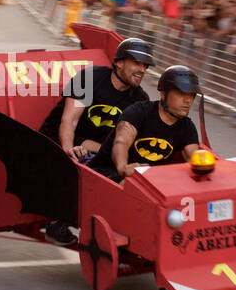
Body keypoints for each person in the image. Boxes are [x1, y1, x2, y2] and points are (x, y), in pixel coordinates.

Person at [38, 38, 152, 244]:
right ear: (118, 62)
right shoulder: (89, 80)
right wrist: (68, 151)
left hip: (96, 147)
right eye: (137, 63)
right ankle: (58, 222)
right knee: (84, 156)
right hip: (59, 138)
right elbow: (69, 120)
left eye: (145, 65)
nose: (142, 69)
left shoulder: (140, 99)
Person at [90, 66, 204, 181]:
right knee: (131, 184)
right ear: (164, 94)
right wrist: (123, 167)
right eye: (181, 94)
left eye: (191, 95)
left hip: (149, 182)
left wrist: (203, 167)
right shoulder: (138, 111)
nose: (188, 100)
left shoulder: (187, 127)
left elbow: (192, 154)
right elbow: (121, 142)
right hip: (107, 173)